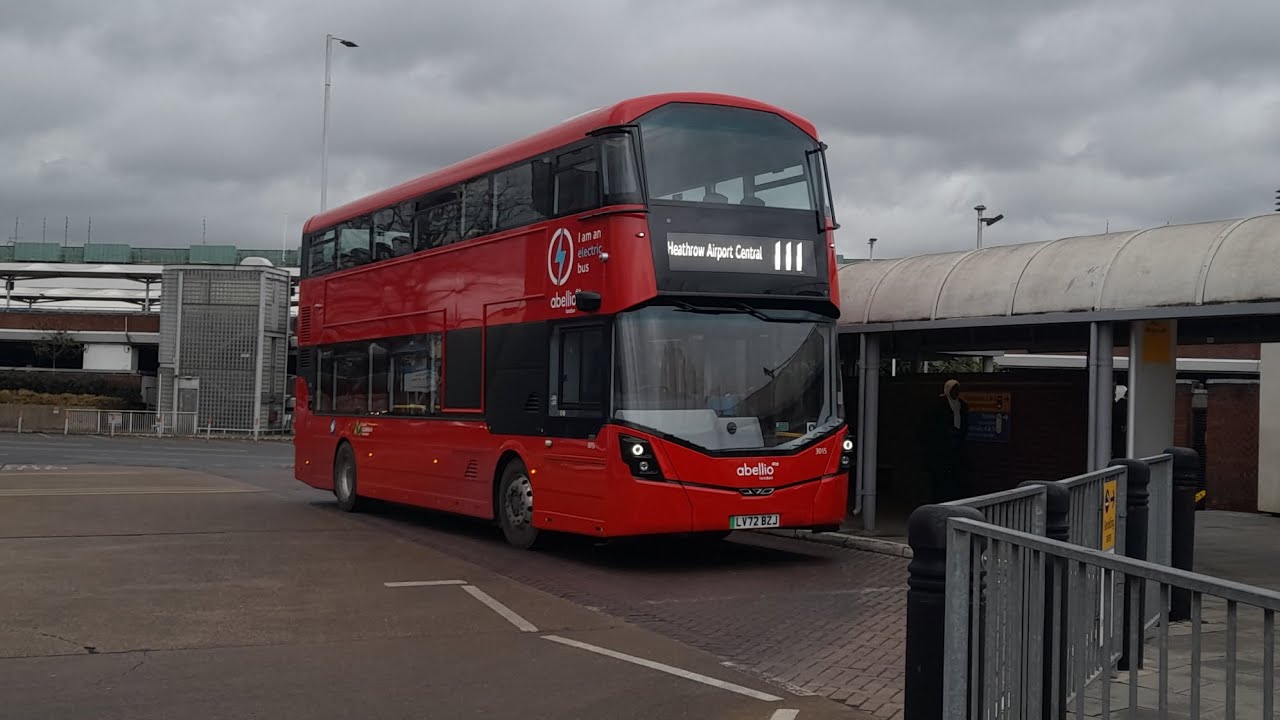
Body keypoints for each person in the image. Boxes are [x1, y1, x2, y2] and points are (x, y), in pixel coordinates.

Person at [925, 379, 970, 502]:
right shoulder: (938, 405)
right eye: (953, 389)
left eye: (958, 389)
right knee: (941, 477)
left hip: (958, 446)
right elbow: (932, 425)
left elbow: (966, 423)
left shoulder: (962, 405)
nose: (956, 392)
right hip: (942, 448)